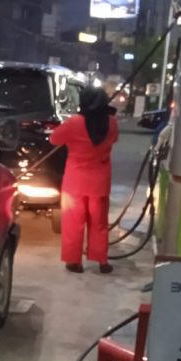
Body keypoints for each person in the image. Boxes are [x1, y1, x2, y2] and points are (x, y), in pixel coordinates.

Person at [49, 86, 119, 274]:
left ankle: (74, 262)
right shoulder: (112, 123)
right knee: (99, 223)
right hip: (100, 182)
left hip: (75, 182)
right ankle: (102, 261)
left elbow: (54, 139)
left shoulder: (74, 122)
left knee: (73, 223)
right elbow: (114, 139)